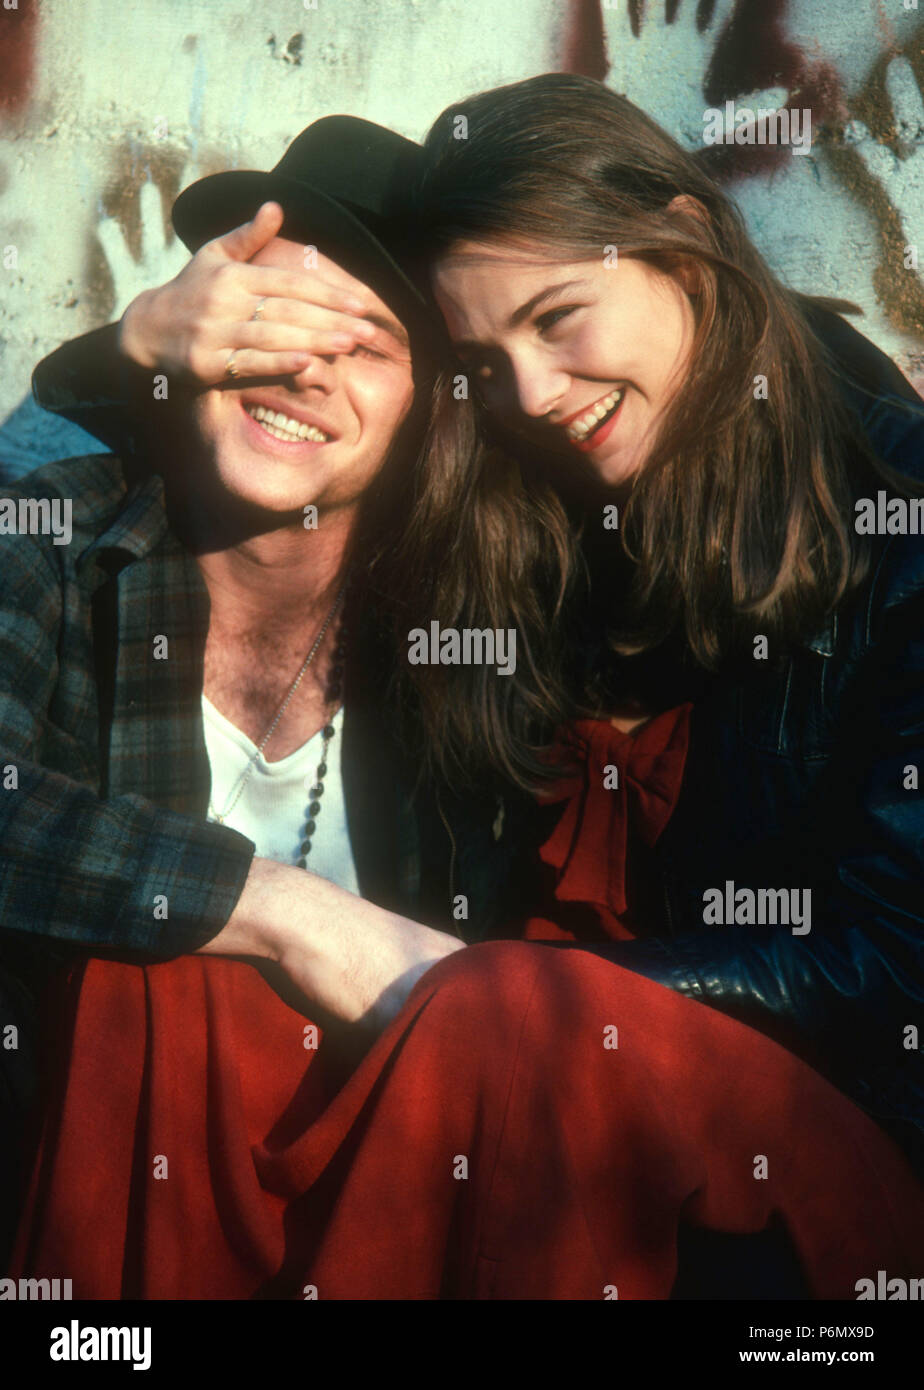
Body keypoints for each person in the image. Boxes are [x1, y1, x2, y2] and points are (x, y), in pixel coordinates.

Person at [17, 95, 924, 1300]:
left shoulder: (845, 514)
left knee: (493, 1008)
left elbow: (882, 964)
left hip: (789, 1089)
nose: (537, 392)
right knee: (171, 985)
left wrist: (473, 988)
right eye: (260, 324)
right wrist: (119, 349)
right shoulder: (87, 546)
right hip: (486, 1068)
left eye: (559, 319)